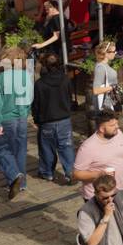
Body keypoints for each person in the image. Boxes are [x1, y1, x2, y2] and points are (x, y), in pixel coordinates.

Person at [0, 46, 31, 201]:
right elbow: (29, 98)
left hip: (6, 119)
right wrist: (25, 113)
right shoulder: (26, 76)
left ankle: (14, 175)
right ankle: (22, 183)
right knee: (20, 150)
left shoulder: (0, 78)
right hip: (22, 119)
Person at [30, 53, 74, 186]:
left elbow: (36, 105)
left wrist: (36, 119)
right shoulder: (65, 79)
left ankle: (47, 173)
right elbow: (69, 97)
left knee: (47, 149)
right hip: (64, 120)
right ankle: (70, 173)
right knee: (66, 147)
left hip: (46, 122)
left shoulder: (39, 84)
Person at [74, 110, 123, 199]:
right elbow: (77, 174)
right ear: (101, 129)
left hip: (117, 191)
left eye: (116, 124)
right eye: (112, 125)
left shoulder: (118, 134)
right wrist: (100, 174)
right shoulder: (88, 147)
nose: (117, 127)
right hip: (98, 197)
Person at [77, 173, 123, 245]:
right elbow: (92, 244)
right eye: (105, 198)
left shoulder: (121, 195)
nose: (110, 200)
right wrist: (106, 216)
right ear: (96, 194)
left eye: (113, 195)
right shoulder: (85, 213)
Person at [88, 41, 121, 116]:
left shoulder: (103, 65)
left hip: (109, 101)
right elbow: (96, 90)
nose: (115, 53)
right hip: (105, 104)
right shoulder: (100, 68)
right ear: (106, 53)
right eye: (113, 51)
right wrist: (113, 87)